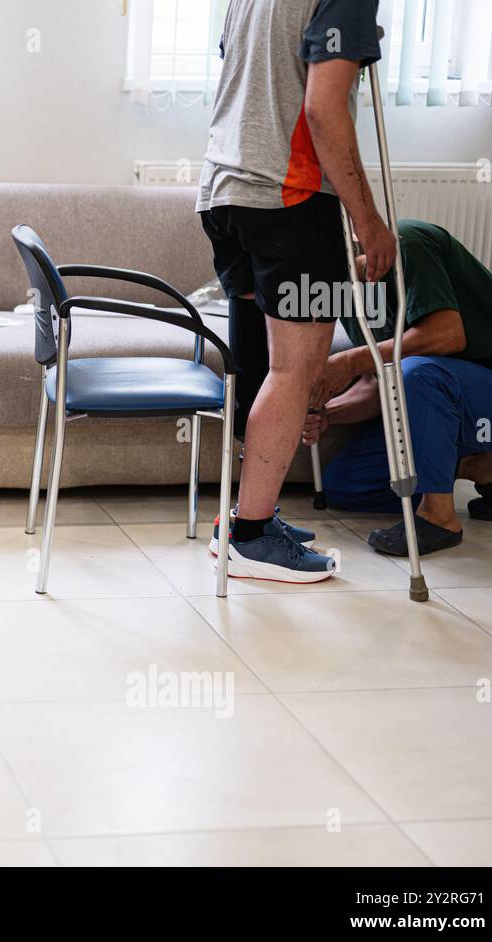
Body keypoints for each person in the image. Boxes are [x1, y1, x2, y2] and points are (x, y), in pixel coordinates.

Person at [198, 0, 396, 583]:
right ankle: (253, 536)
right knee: (295, 371)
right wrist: (369, 221)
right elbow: (322, 107)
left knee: (265, 365)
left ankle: (243, 519)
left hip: (225, 189)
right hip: (291, 197)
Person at [305, 220, 492, 555]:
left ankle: (439, 517)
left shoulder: (408, 244)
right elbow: (377, 382)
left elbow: (446, 334)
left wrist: (350, 361)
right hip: (440, 395)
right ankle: (491, 466)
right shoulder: (347, 294)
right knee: (344, 485)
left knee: (417, 372)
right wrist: (330, 414)